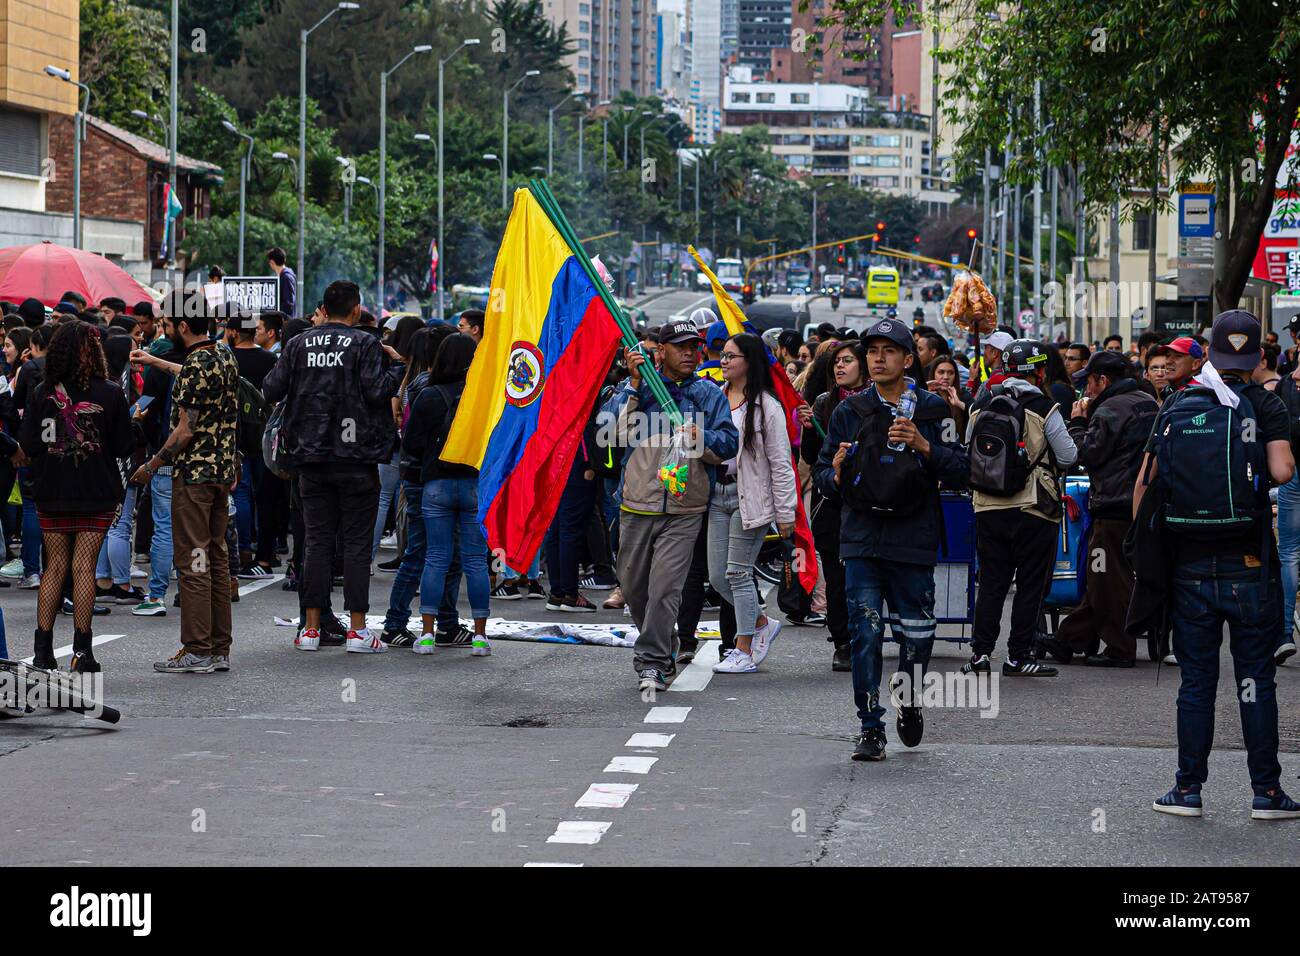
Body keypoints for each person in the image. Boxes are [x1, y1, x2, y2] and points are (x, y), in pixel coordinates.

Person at [1135, 310, 1300, 820]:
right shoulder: (1265, 403)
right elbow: (1282, 469)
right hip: (1248, 565)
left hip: (1189, 565)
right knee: (1254, 679)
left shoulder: (1181, 403)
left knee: (1197, 681)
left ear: (1208, 354)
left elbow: (1144, 483)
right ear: (1256, 358)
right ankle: (1266, 793)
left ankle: (1187, 790)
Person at [813, 318, 969, 761]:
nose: (878, 359)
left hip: (913, 536)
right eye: (872, 351)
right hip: (861, 536)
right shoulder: (849, 411)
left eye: (889, 350)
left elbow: (961, 470)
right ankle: (869, 727)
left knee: (918, 635)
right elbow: (824, 475)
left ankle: (910, 698)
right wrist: (836, 472)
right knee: (865, 632)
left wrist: (924, 445)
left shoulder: (932, 410)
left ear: (907, 359)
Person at [262, 281, 404, 654]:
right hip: (357, 460)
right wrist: (398, 365)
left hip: (309, 457)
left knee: (316, 542)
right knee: (356, 546)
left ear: (323, 308)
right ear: (356, 310)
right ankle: (358, 631)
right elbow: (377, 391)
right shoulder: (365, 344)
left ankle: (310, 629)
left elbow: (271, 389)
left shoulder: (296, 344)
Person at [603, 319, 739, 692]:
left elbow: (730, 444)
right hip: (635, 504)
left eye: (694, 346)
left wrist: (702, 437)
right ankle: (664, 643)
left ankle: (653, 660)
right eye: (680, 346)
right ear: (659, 351)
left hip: (685, 508)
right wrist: (632, 385)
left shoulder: (709, 394)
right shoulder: (638, 384)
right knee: (633, 587)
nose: (690, 353)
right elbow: (610, 433)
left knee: (666, 588)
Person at [129, 298, 239, 674]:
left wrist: (153, 463)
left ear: (183, 326)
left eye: (168, 324)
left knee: (194, 562)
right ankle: (219, 648)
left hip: (193, 476)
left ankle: (197, 649)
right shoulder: (224, 356)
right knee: (217, 560)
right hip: (222, 474)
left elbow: (184, 429)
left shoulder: (196, 365)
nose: (165, 330)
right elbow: (193, 375)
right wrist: (157, 361)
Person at [17, 322, 131, 673]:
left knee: (53, 567)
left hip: (52, 491)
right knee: (84, 567)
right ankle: (82, 650)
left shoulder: (41, 392)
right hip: (96, 491)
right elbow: (124, 446)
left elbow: (30, 446)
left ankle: (42, 650)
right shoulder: (111, 393)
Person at [964, 338, 1078, 677]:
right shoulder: (1044, 407)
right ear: (1040, 371)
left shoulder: (981, 405)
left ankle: (981, 654)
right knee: (1030, 584)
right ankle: (1017, 656)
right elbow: (1070, 456)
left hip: (987, 506)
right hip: (1033, 507)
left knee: (992, 583)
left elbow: (967, 449)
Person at [1041, 350, 1158, 667]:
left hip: (1113, 503)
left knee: (1106, 574)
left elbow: (1085, 453)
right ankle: (1070, 638)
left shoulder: (1109, 409)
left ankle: (1120, 647)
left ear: (1102, 380)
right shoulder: (1146, 401)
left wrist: (1078, 423)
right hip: (1141, 501)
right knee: (1101, 575)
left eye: (1089, 383)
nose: (1086, 391)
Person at [709, 333, 798, 674]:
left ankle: (743, 648)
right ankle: (761, 621)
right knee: (719, 578)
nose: (724, 360)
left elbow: (780, 462)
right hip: (718, 494)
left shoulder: (766, 406)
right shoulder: (716, 397)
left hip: (752, 497)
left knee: (738, 572)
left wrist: (785, 511)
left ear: (749, 361)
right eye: (723, 355)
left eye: (731, 356)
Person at [402, 333, 491, 655]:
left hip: (436, 485)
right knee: (475, 562)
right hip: (474, 485)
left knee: (436, 558)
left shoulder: (428, 396)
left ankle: (427, 634)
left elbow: (410, 444)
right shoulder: (483, 398)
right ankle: (480, 636)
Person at [801, 339, 866, 669]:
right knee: (836, 578)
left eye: (848, 361)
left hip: (867, 504)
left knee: (863, 575)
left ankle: (863, 636)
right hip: (830, 503)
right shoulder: (824, 403)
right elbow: (812, 458)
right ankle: (842, 641)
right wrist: (810, 430)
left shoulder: (879, 403)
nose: (840, 367)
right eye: (836, 362)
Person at [267, 247, 297, 317]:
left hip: (286, 323)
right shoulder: (285, 276)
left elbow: (288, 303)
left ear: (272, 262)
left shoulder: (286, 277)